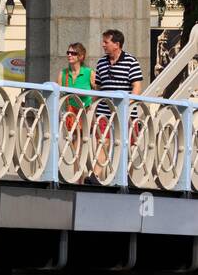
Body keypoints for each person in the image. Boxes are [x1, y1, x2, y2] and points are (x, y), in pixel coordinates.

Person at [90, 29, 143, 184]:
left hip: (125, 113)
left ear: (117, 44)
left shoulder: (131, 61)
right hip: (104, 112)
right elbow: (98, 89)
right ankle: (95, 175)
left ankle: (127, 178)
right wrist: (90, 107)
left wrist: (126, 105)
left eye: (106, 42)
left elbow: (137, 88)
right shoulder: (101, 62)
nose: (103, 45)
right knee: (104, 142)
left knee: (127, 146)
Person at [60, 42, 93, 176]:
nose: (69, 55)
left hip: (84, 110)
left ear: (81, 56)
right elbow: (59, 91)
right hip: (70, 111)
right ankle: (77, 171)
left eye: (73, 53)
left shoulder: (89, 72)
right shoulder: (63, 73)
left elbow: (96, 90)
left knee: (79, 140)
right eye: (68, 53)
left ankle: (79, 172)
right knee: (74, 141)